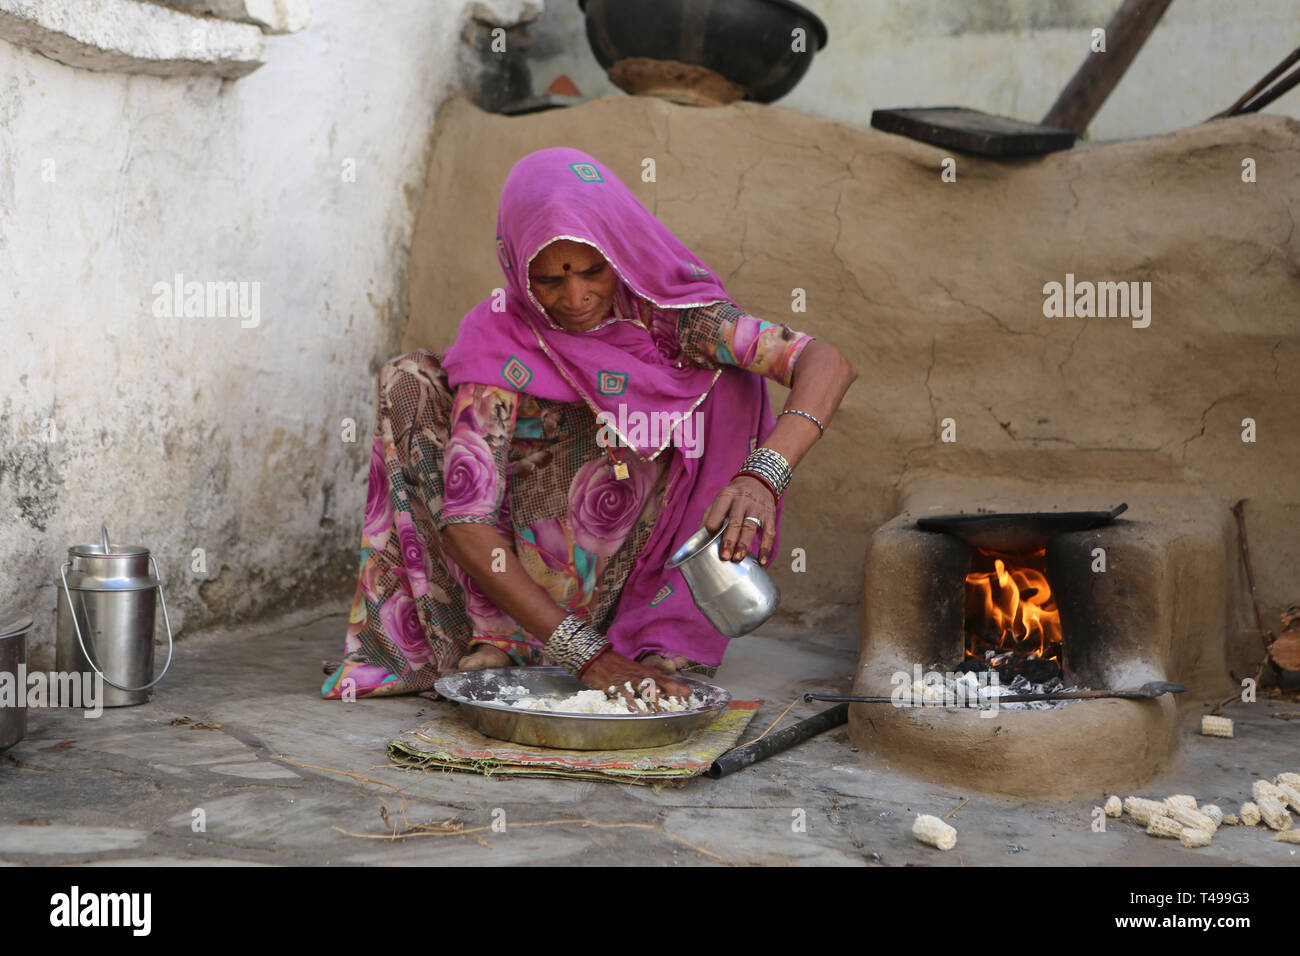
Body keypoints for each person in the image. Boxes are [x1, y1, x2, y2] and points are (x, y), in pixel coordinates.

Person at [322, 147, 856, 703]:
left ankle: (657, 632)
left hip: (626, 550)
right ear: (519, 267)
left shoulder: (672, 316)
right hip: (515, 572)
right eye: (549, 280)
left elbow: (826, 363)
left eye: (592, 271)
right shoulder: (502, 334)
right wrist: (590, 661)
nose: (575, 298)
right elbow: (466, 521)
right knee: (410, 377)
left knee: (728, 376)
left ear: (616, 249)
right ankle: (506, 639)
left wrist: (762, 476)